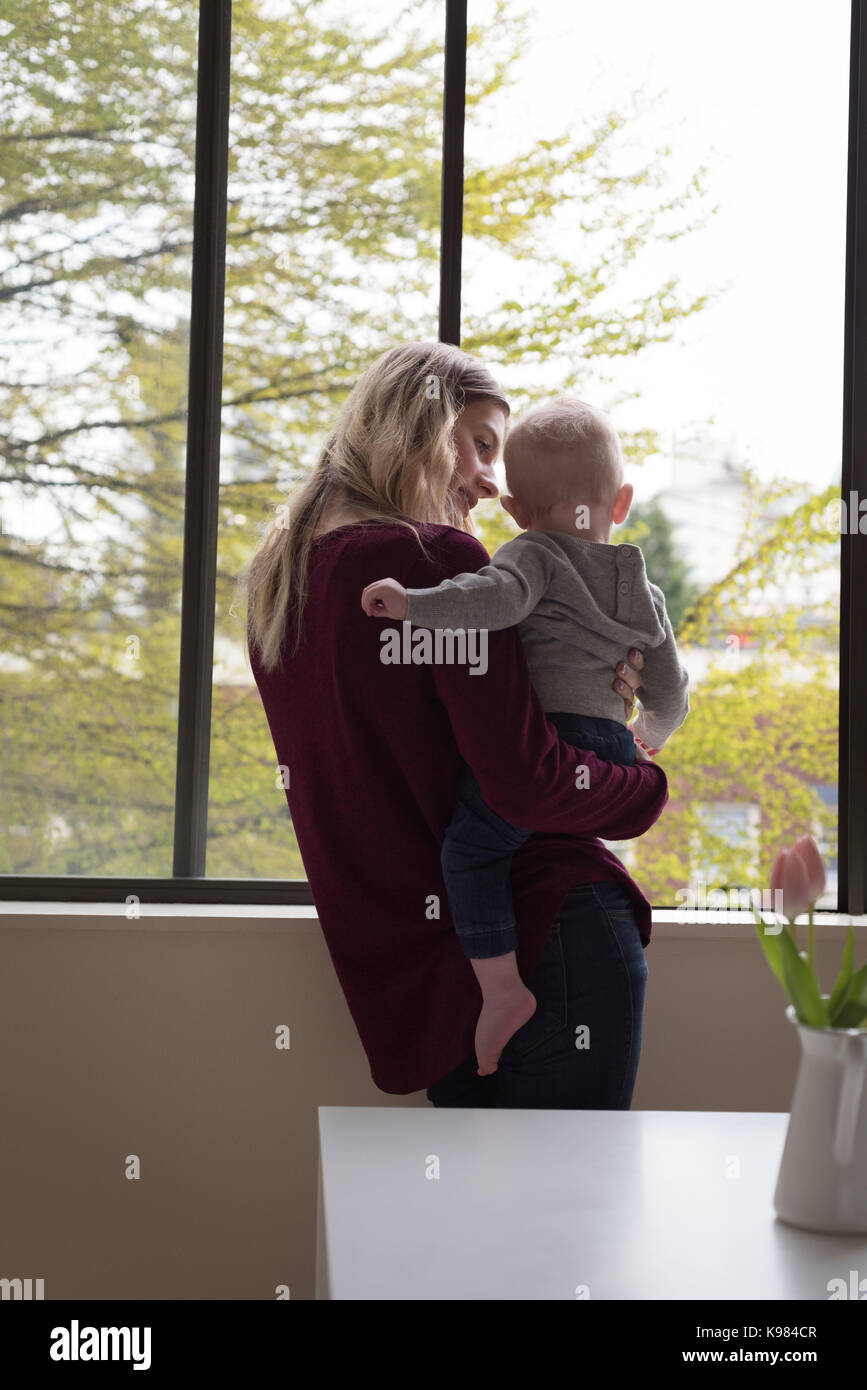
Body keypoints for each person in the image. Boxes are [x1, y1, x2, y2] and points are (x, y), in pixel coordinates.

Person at [241, 341, 668, 1108]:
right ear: (415, 424)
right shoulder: (435, 561)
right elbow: (528, 783)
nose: (488, 480)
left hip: (444, 972)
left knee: (476, 1227)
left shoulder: (281, 591)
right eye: (476, 444)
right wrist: (642, 787)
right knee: (566, 1222)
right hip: (551, 936)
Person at [361, 395, 689, 1076]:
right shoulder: (643, 589)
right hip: (605, 743)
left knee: (473, 852)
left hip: (549, 741)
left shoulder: (533, 555)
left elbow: (489, 602)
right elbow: (670, 691)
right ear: (620, 501)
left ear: (513, 510)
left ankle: (501, 987)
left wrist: (414, 605)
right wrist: (646, 735)